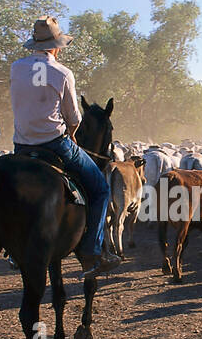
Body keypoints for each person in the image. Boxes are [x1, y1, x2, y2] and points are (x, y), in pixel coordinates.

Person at [9, 16, 120, 277]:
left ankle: (12, 248)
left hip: (21, 146)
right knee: (100, 188)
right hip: (55, 144)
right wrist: (71, 134)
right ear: (56, 45)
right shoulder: (62, 73)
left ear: (34, 44)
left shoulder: (16, 68)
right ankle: (92, 252)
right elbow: (74, 118)